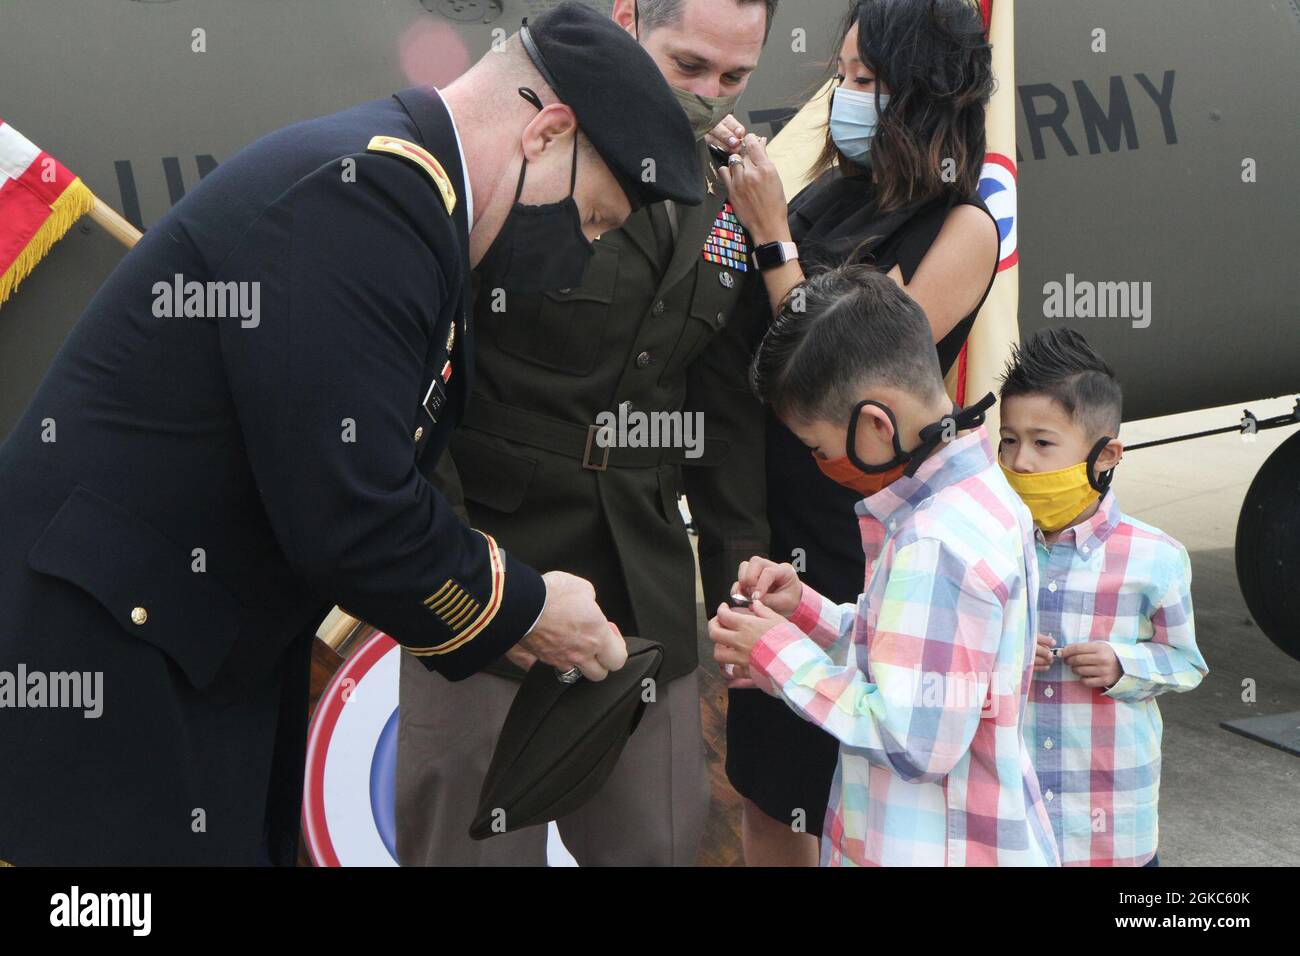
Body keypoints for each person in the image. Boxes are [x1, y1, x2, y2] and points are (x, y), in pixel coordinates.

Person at [0, 2, 704, 866]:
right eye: (594, 218)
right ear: (547, 132)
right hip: (112, 653)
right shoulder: (366, 200)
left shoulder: (414, 208)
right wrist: (529, 608)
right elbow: (354, 510)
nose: (586, 250)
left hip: (193, 638)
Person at [396, 0, 778, 868]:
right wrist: (450, 573)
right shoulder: (524, 144)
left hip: (641, 583)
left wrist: (737, 576)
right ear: (624, 18)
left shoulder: (729, 188)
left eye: (735, 78)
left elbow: (720, 409)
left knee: (662, 843)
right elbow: (421, 372)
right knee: (470, 852)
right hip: (491, 566)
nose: (709, 98)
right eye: (687, 68)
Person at [712, 0, 1001, 865]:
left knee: (833, 791)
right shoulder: (834, 192)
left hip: (851, 530)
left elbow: (850, 361)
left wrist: (771, 236)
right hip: (769, 517)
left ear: (923, 94)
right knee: (766, 790)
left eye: (867, 80)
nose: (847, 95)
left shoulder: (963, 228)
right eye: (843, 75)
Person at [708, 264, 1059, 867]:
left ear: (876, 423)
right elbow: (909, 656)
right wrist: (805, 612)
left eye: (818, 447)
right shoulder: (974, 498)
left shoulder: (937, 541)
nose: (820, 463)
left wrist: (774, 654)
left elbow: (913, 738)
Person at [998, 327, 1207, 867]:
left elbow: (1185, 663)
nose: (1021, 462)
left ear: (1107, 455)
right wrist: (1007, 657)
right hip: (1011, 826)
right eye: (1008, 440)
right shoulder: (992, 548)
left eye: (1043, 443)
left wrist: (1123, 665)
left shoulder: (1155, 557)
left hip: (1111, 831)